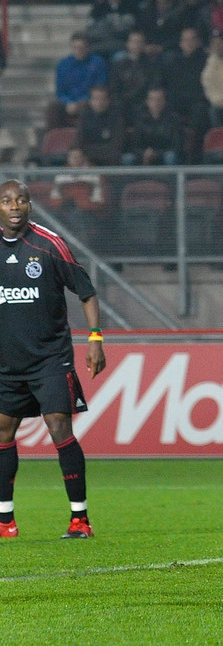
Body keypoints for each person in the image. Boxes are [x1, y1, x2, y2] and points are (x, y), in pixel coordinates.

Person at [0, 180, 104, 540]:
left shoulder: (49, 244)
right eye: (7, 201)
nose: (15, 206)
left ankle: (80, 519)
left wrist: (95, 339)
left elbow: (86, 292)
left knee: (59, 426)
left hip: (49, 359)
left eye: (21, 200)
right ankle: (5, 522)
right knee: (3, 432)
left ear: (30, 206)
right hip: (7, 364)